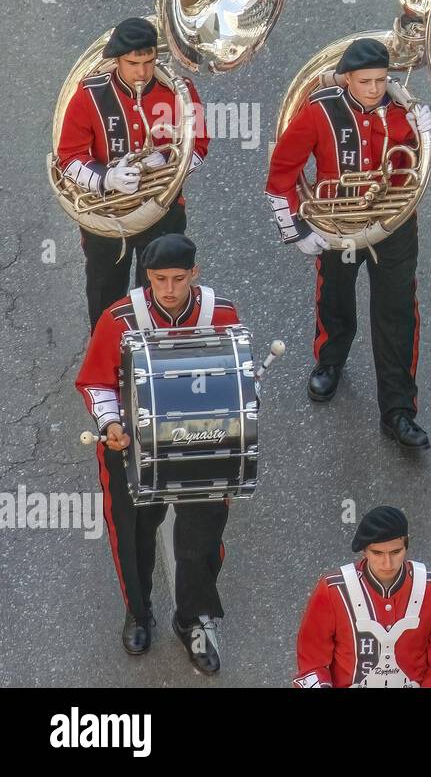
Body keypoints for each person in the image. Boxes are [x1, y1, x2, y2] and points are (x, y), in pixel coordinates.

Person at [266, 37, 431, 456]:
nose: (376, 89)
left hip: (392, 224)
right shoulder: (318, 110)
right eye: (366, 81)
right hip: (336, 224)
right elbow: (281, 174)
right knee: (335, 297)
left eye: (381, 80)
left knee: (397, 313)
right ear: (346, 79)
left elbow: (419, 164)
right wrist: (297, 230)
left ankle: (398, 411)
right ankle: (330, 360)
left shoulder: (403, 112)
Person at [74, 234, 235, 674]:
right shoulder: (119, 318)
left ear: (194, 274)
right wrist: (110, 424)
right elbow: (96, 382)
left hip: (198, 442)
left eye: (178, 279)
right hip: (133, 443)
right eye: (159, 279)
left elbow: (236, 378)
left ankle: (191, 619)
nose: (168, 289)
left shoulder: (220, 314)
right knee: (133, 533)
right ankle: (139, 611)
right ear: (147, 277)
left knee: (200, 540)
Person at [57, 17, 208, 327]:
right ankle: (106, 355)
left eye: (149, 61)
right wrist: (105, 178)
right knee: (105, 292)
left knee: (160, 291)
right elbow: (68, 158)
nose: (142, 72)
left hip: (162, 211)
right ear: (117, 60)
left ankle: (152, 352)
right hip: (108, 215)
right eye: (132, 63)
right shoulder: (89, 95)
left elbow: (200, 144)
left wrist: (166, 161)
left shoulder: (180, 91)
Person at [294, 505, 431, 687]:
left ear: (407, 545)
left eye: (396, 552)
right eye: (377, 553)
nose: (387, 563)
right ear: (364, 550)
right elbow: (312, 663)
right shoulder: (333, 590)